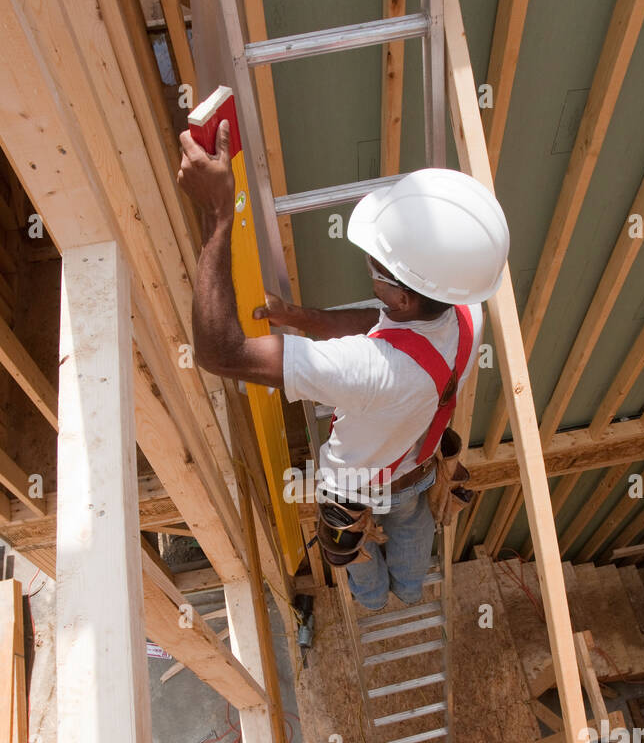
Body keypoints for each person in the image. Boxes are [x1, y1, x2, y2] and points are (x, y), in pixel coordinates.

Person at [177, 118, 509, 610]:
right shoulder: (465, 310)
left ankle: (377, 603)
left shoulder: (369, 371)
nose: (369, 270)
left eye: (376, 269)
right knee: (415, 551)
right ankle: (410, 594)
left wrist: (218, 215)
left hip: (355, 490)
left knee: (358, 566)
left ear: (406, 298)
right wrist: (302, 318)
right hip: (420, 468)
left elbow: (219, 353)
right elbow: (386, 323)